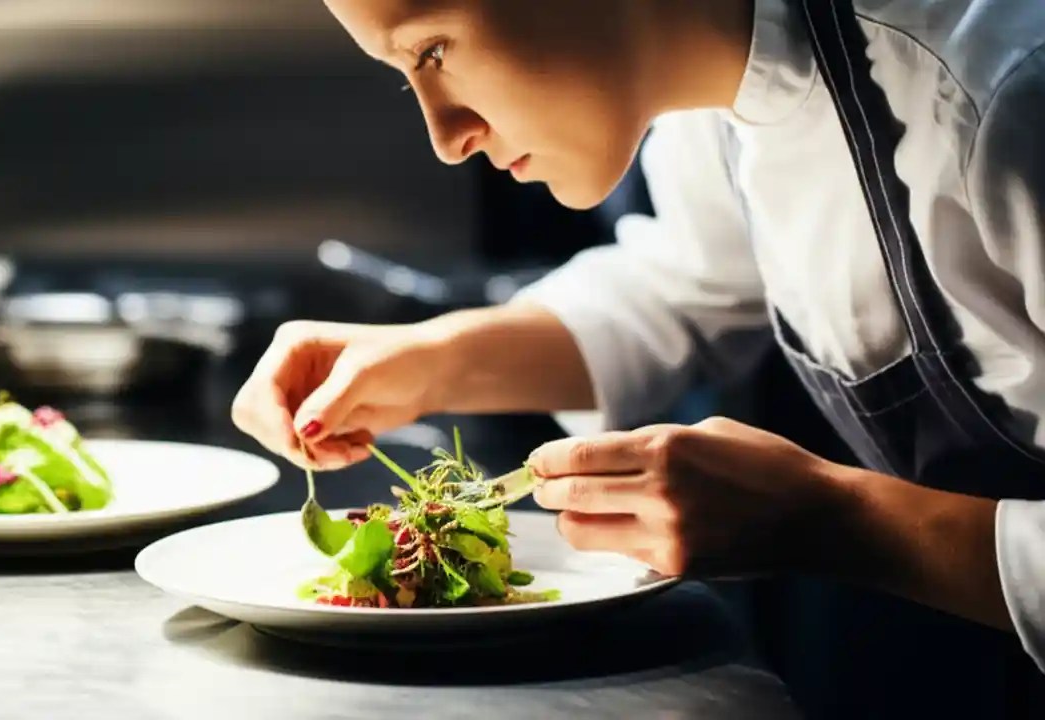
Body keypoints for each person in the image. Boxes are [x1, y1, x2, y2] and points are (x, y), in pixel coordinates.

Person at [231, 0, 1045, 714]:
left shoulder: (1008, 94)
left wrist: (840, 522)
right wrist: (426, 361)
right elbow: (688, 284)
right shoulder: (707, 86)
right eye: (406, 76)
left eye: (432, 50)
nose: (447, 139)